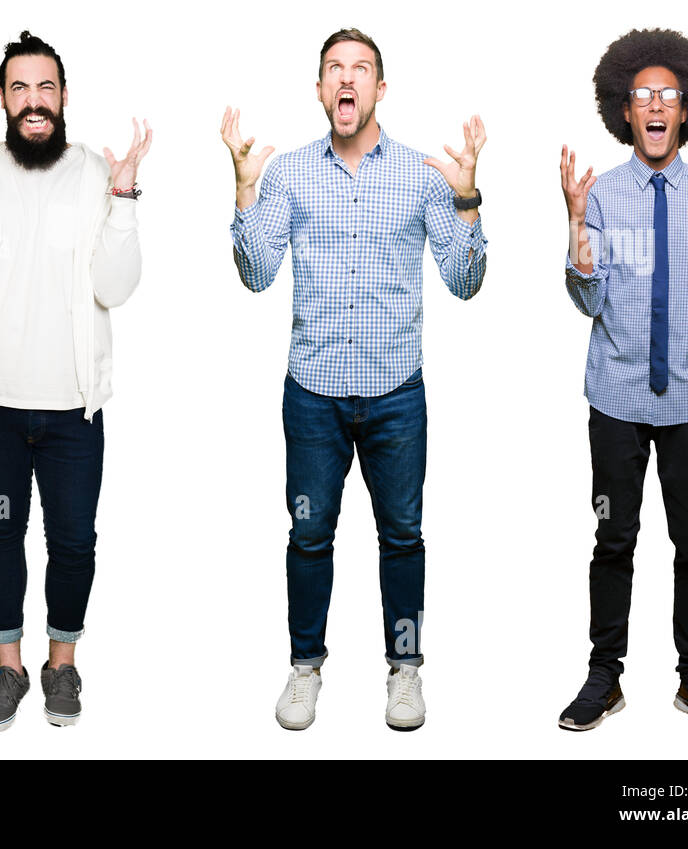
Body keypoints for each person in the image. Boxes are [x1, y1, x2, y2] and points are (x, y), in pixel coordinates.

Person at [223, 28, 488, 731]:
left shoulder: (424, 173)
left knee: (402, 536)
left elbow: (465, 282)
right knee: (309, 536)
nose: (347, 79)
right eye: (334, 69)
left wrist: (468, 201)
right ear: (319, 90)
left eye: (360, 69)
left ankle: (405, 668)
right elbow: (256, 276)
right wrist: (245, 192)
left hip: (398, 394)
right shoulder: (286, 173)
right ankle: (304, 666)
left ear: (379, 89)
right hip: (312, 395)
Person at [0, 31, 150, 731]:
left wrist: (126, 193)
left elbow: (116, 285)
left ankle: (61, 664)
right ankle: (10, 667)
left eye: (46, 88)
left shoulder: (101, 172)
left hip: (75, 408)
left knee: (74, 540)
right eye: (20, 88)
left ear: (64, 97)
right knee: (1, 532)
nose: (34, 102)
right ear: (3, 99)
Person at [558, 28, 688, 733]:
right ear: (624, 109)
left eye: (667, 95)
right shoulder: (603, 196)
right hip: (614, 402)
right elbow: (587, 298)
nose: (653, 104)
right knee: (613, 539)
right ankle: (603, 674)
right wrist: (576, 223)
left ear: (686, 110)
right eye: (641, 94)